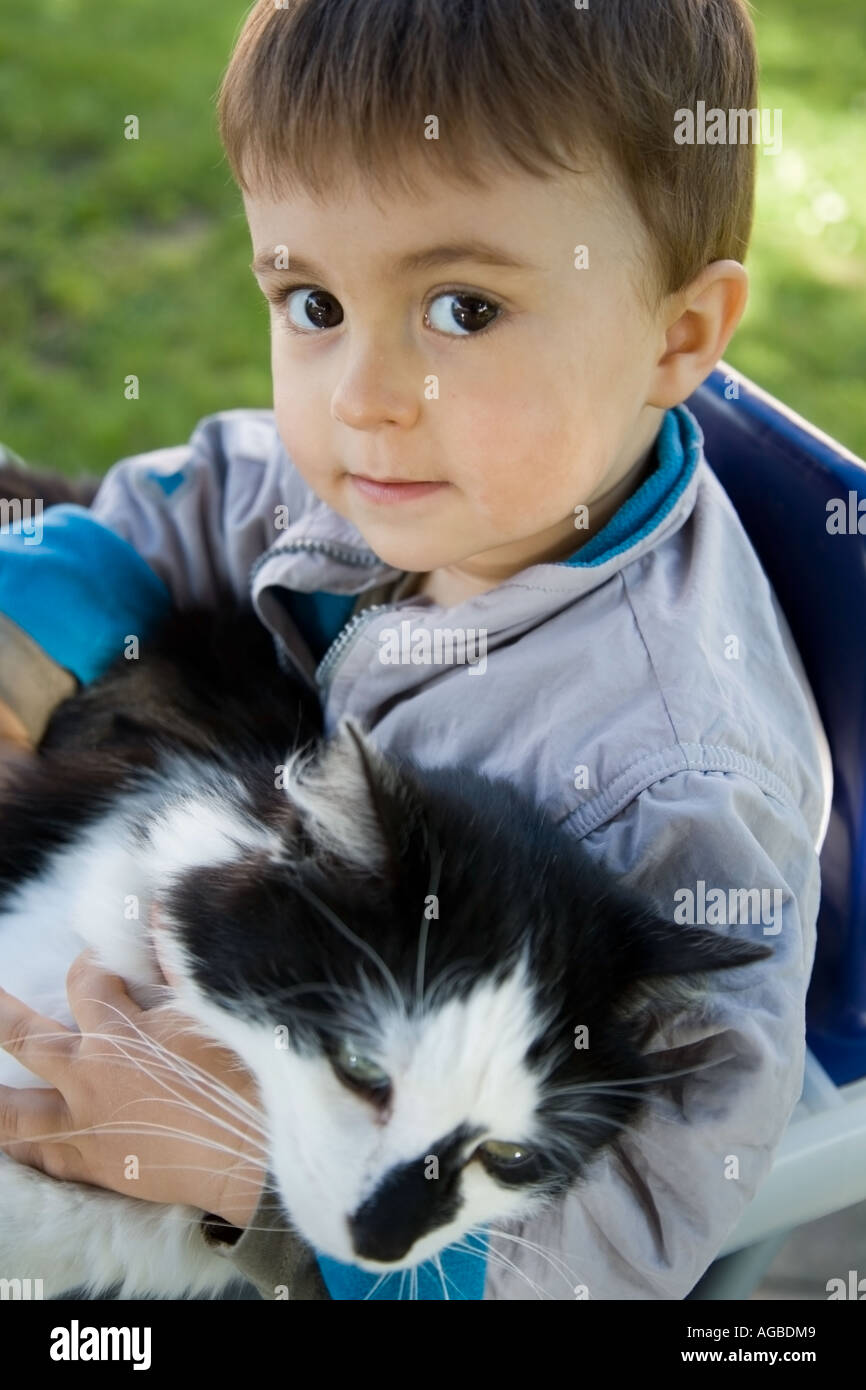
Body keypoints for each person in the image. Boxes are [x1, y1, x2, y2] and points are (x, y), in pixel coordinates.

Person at [0, 0, 832, 1300]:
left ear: (677, 337)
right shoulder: (429, 469)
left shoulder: (670, 787)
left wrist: (252, 1188)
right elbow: (204, 490)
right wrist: (31, 636)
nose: (360, 398)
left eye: (460, 308)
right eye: (312, 299)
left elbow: (628, 1237)